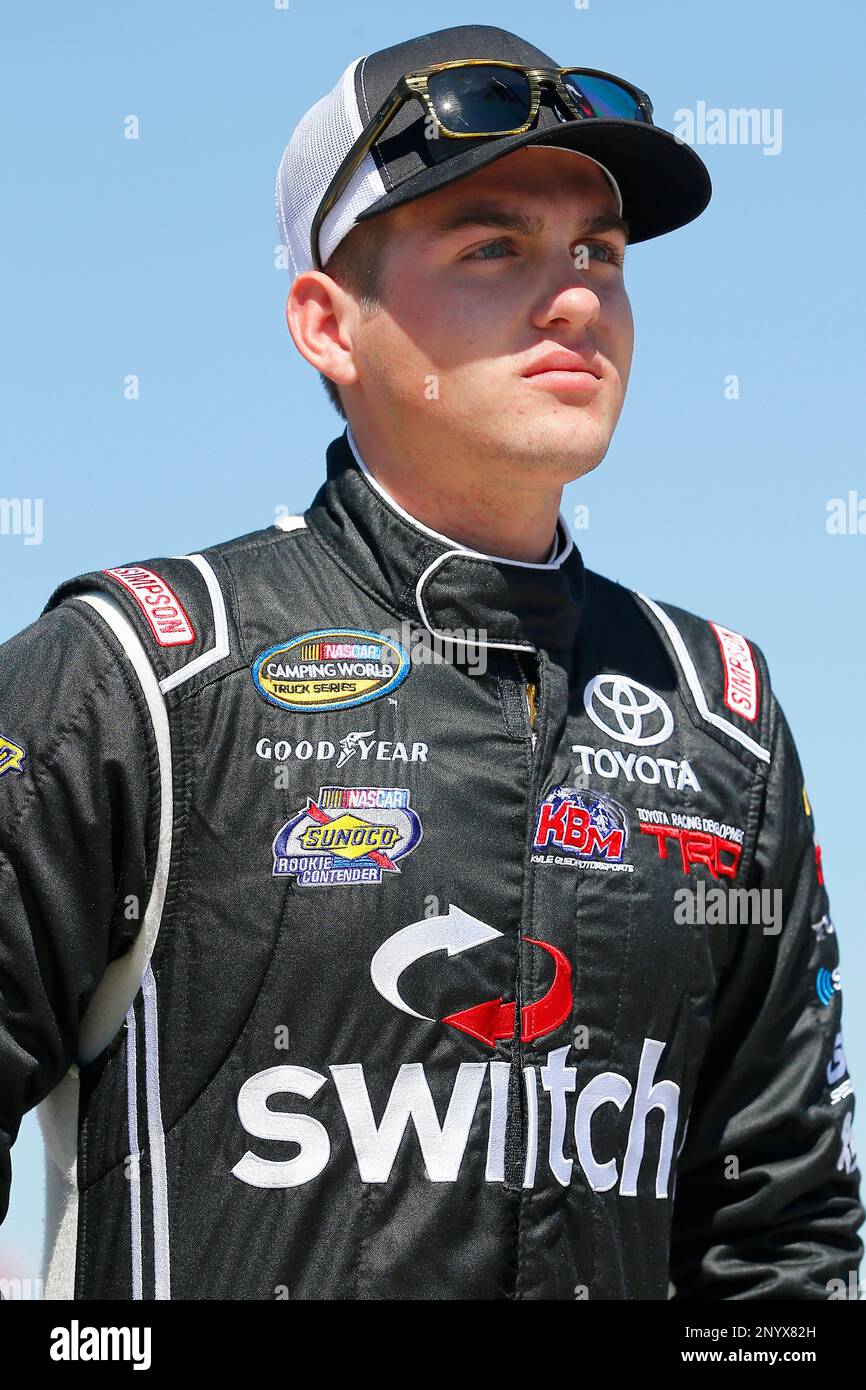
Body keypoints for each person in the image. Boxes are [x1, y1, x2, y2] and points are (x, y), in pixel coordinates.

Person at [0, 22, 862, 1302]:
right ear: (325, 323)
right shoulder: (137, 671)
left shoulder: (719, 715)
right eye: (493, 246)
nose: (575, 296)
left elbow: (778, 1239)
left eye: (600, 253)